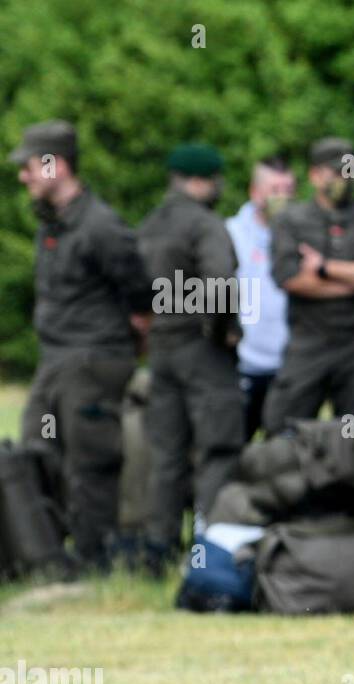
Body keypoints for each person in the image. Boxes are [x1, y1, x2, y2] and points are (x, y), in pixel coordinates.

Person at [10, 120, 153, 572]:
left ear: (57, 165)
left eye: (31, 166)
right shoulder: (50, 225)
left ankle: (95, 562)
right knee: (35, 451)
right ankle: (45, 555)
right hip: (55, 360)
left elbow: (141, 293)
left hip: (92, 360)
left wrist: (133, 338)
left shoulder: (101, 226)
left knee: (91, 463)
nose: (23, 176)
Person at [136, 144, 245, 566]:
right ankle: (209, 552)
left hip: (161, 348)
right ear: (201, 181)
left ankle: (157, 552)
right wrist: (221, 331)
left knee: (167, 454)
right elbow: (219, 281)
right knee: (217, 448)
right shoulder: (204, 224)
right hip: (202, 349)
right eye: (216, 181)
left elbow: (134, 289)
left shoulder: (149, 224)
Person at [264, 137, 354, 438]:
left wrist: (326, 268)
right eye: (337, 172)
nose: (344, 179)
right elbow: (291, 279)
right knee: (283, 434)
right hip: (308, 343)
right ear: (315, 175)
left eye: (349, 171)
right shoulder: (291, 220)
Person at [227, 155, 296, 441]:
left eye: (288, 190)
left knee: (283, 462)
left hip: (289, 366)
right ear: (255, 192)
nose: (282, 197)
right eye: (275, 190)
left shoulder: (304, 234)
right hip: (242, 364)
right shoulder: (229, 233)